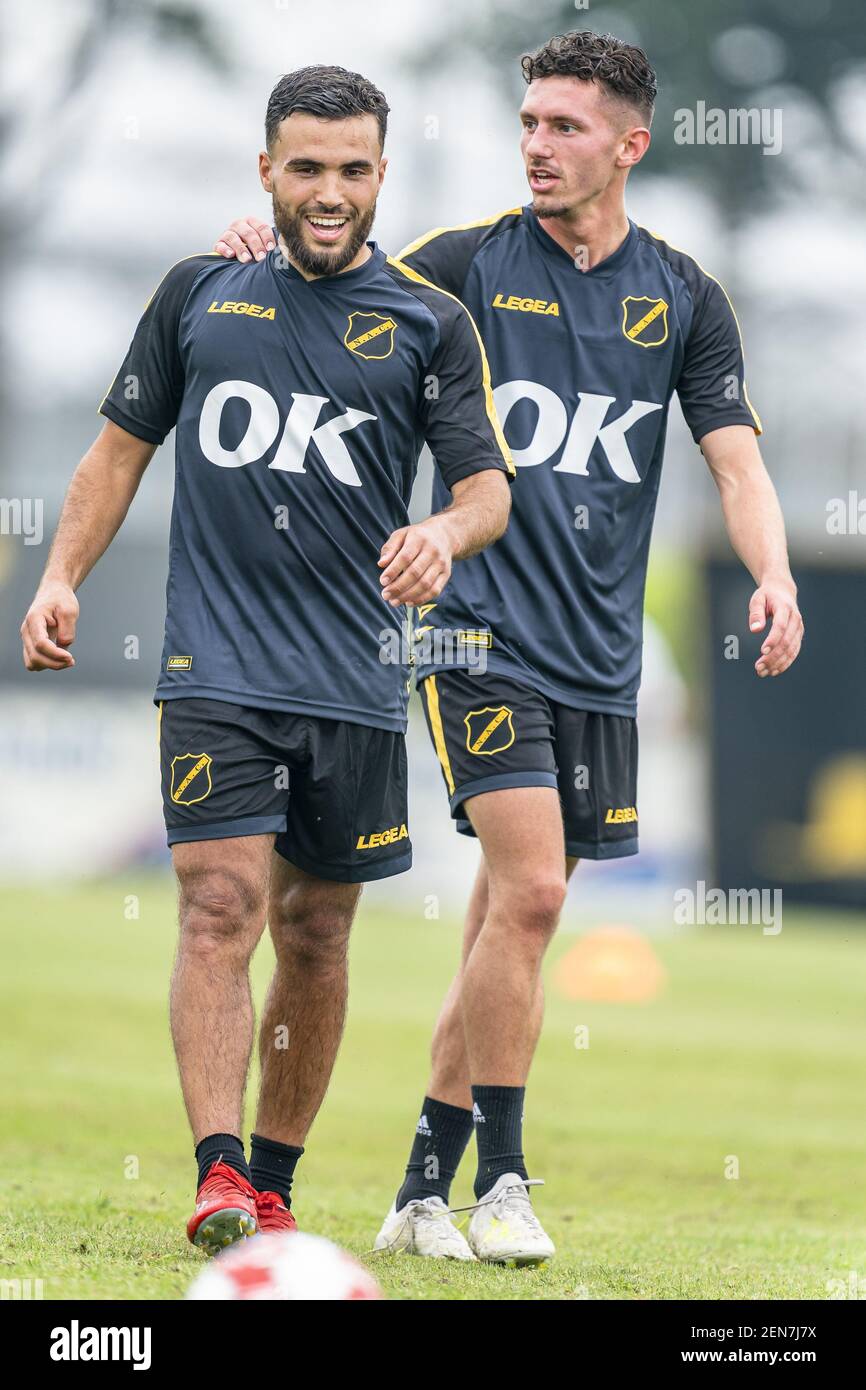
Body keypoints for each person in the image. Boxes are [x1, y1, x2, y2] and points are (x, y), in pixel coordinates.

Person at [218, 29, 805, 1267]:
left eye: (564, 127)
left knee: (508, 920)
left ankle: (418, 1193)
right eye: (526, 122)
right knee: (532, 894)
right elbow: (333, 271)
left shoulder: (683, 296)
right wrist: (257, 246)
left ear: (627, 145)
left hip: (598, 654)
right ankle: (503, 1183)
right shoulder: (467, 264)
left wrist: (773, 571)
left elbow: (733, 457)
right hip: (471, 635)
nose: (534, 145)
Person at [20, 64, 512, 1257]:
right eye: (307, 166)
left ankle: (278, 1182)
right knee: (218, 908)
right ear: (266, 171)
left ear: (381, 175)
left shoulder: (429, 323)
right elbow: (116, 454)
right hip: (215, 672)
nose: (329, 189)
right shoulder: (201, 291)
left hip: (349, 678)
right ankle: (219, 1171)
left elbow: (486, 487)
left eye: (352, 168)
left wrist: (440, 535)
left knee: (317, 936)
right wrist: (57, 576)